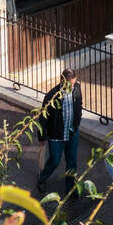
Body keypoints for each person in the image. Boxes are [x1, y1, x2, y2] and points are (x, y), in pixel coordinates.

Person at [36, 69, 83, 197]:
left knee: (72, 161)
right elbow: (43, 118)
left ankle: (71, 188)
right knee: (54, 161)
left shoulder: (77, 88)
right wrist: (42, 136)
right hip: (56, 135)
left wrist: (77, 122)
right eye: (70, 84)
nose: (72, 86)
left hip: (72, 132)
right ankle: (41, 179)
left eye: (74, 83)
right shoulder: (52, 96)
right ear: (62, 81)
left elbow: (79, 105)